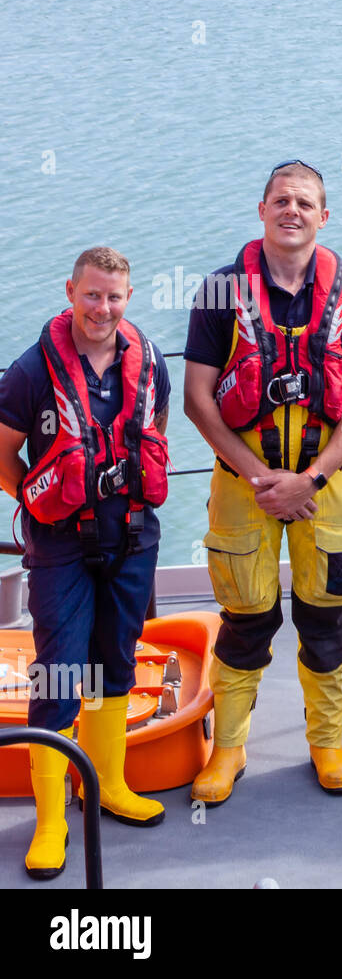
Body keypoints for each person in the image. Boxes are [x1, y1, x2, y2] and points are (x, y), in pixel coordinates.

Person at [184, 160, 342, 802]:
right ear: (261, 210)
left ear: (324, 217)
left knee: (327, 623)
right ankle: (229, 749)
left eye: (304, 202)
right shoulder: (219, 291)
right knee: (246, 621)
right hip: (244, 483)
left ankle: (326, 744)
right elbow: (197, 399)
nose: (291, 210)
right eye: (280, 200)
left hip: (328, 485)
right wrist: (261, 476)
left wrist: (310, 480)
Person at [0, 247, 170, 879]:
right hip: (61, 545)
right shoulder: (29, 372)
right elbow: (3, 451)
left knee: (113, 662)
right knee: (58, 672)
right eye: (92, 295)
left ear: (129, 296)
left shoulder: (149, 361)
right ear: (71, 291)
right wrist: (41, 501)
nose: (103, 308)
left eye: (115, 297)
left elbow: (152, 434)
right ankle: (49, 821)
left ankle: (106, 786)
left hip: (131, 534)